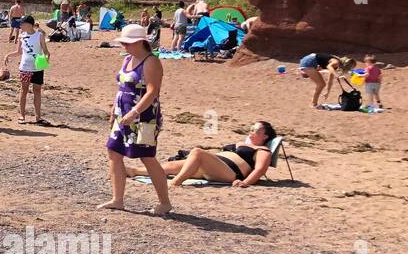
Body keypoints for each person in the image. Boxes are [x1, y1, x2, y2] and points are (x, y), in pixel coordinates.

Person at [100, 23, 170, 215]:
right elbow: (122, 87)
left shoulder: (151, 62)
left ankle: (164, 202)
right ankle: (117, 199)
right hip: (123, 114)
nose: (124, 46)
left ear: (140, 42)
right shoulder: (128, 59)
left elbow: (152, 91)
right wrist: (115, 108)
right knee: (113, 151)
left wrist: (135, 112)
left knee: (147, 157)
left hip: (144, 116)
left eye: (127, 43)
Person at [124, 121, 278, 188]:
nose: (252, 131)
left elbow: (260, 170)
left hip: (231, 173)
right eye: (251, 128)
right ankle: (133, 171)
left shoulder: (263, 151)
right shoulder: (243, 143)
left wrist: (245, 183)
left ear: (265, 136)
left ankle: (175, 183)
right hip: (214, 166)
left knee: (197, 152)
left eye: (256, 130)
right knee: (171, 166)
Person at [16, 15, 49, 125]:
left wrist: (46, 59)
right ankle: (21, 115)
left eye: (22, 23)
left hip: (38, 66)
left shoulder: (39, 35)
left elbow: (45, 51)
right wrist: (8, 55)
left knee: (37, 91)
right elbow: (19, 52)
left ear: (29, 24)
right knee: (23, 90)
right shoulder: (21, 36)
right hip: (25, 66)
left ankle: (38, 116)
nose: (20, 25)